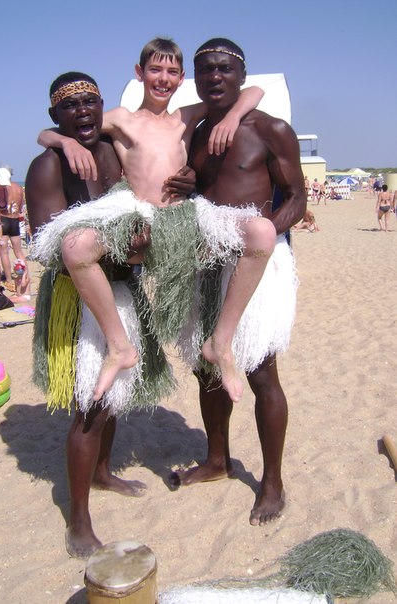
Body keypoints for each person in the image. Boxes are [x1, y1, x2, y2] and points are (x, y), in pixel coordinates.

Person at [36, 37, 275, 404]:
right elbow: (47, 133)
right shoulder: (121, 119)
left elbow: (254, 91)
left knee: (261, 232)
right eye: (155, 70)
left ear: (181, 78)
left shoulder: (185, 117)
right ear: (140, 72)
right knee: (76, 248)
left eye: (172, 72)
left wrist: (230, 118)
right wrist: (65, 144)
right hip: (142, 217)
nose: (163, 78)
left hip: (186, 217)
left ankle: (220, 342)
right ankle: (119, 346)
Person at [26, 71, 191, 560]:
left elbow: (143, 196)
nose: (82, 111)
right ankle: (78, 519)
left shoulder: (109, 153)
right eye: (69, 106)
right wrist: (127, 247)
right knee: (92, 404)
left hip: (122, 289)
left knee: (114, 396)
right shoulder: (47, 166)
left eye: (89, 102)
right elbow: (50, 249)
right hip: (78, 300)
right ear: (54, 116)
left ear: (102, 109)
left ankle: (101, 473)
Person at [171, 38, 306, 526]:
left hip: (256, 266)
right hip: (205, 262)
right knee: (205, 369)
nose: (215, 77)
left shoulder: (271, 129)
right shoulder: (193, 133)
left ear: (242, 76)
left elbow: (297, 197)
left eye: (225, 69)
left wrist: (263, 235)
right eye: (206, 69)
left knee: (262, 372)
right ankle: (217, 459)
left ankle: (272, 481)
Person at [0, 167, 30, 292]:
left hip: (4, 220)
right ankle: (26, 275)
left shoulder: (4, 189)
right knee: (19, 251)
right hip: (14, 221)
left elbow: (0, 208)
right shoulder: (18, 188)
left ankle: (9, 280)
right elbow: (20, 208)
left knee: (4, 252)